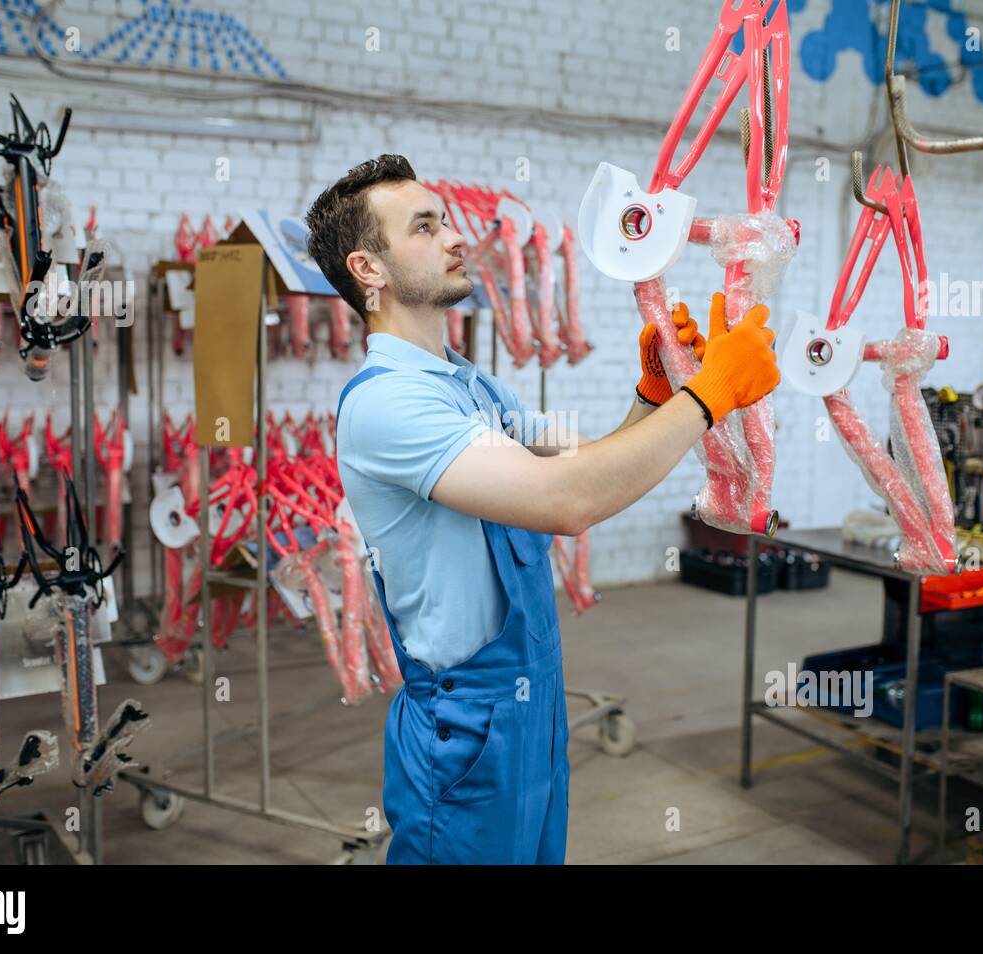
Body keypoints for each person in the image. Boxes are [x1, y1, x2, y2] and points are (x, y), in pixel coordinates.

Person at [306, 154, 779, 864]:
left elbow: (580, 462)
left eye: (446, 221)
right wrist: (708, 397)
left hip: (531, 707)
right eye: (426, 228)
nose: (456, 239)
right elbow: (568, 503)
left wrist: (653, 397)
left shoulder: (475, 389)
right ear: (368, 270)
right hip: (464, 726)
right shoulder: (387, 403)